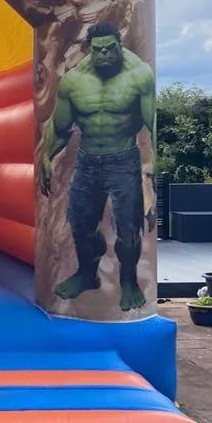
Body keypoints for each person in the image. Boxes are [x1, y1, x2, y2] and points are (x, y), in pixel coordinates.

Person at [40, 21, 155, 312]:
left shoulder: (139, 75)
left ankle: (128, 281)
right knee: (80, 225)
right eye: (98, 50)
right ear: (89, 49)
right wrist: (45, 156)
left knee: (129, 230)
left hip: (123, 160)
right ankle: (87, 274)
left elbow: (152, 126)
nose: (104, 55)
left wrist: (153, 175)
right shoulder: (74, 81)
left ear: (119, 45)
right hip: (88, 162)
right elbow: (61, 126)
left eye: (110, 49)